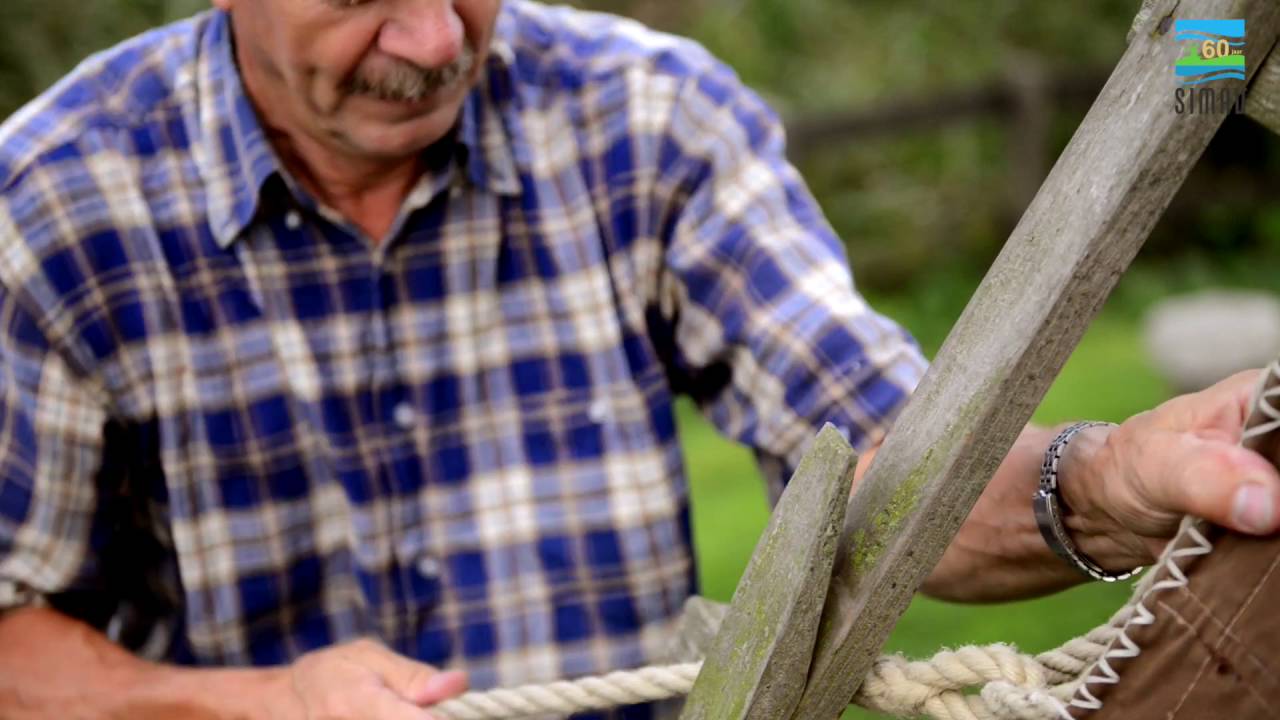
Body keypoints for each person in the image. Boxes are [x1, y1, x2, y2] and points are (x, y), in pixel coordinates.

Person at [0, 2, 1275, 719]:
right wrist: (255, 705)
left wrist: (1103, 478)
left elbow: (896, 464)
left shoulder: (649, 120)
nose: (439, 40)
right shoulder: (53, 203)